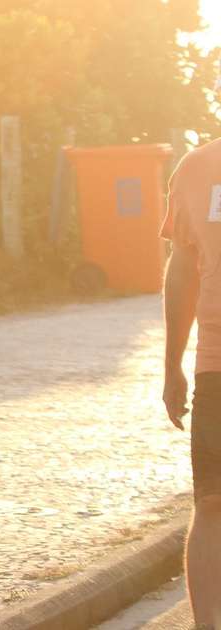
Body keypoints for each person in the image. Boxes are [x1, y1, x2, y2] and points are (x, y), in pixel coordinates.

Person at [161, 73, 221, 628]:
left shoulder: (199, 168)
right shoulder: (196, 169)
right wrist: (171, 365)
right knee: (211, 506)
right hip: (216, 369)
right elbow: (181, 271)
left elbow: (181, 272)